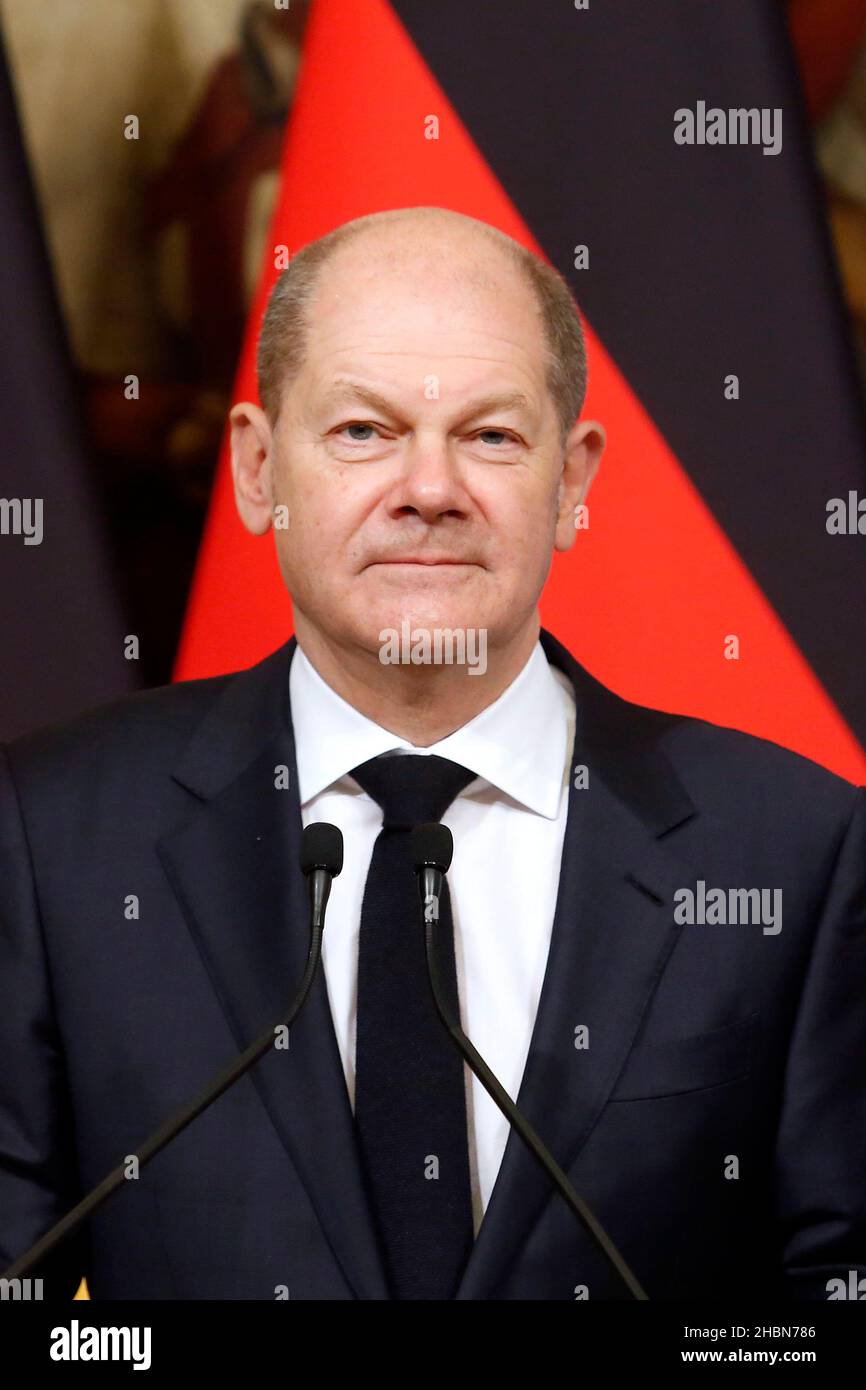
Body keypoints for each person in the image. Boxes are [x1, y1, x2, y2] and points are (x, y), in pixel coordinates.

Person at [1, 207, 863, 1300]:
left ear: (573, 480)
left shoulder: (793, 850)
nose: (427, 487)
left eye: (491, 436)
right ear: (258, 468)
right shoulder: (53, 836)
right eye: (361, 431)